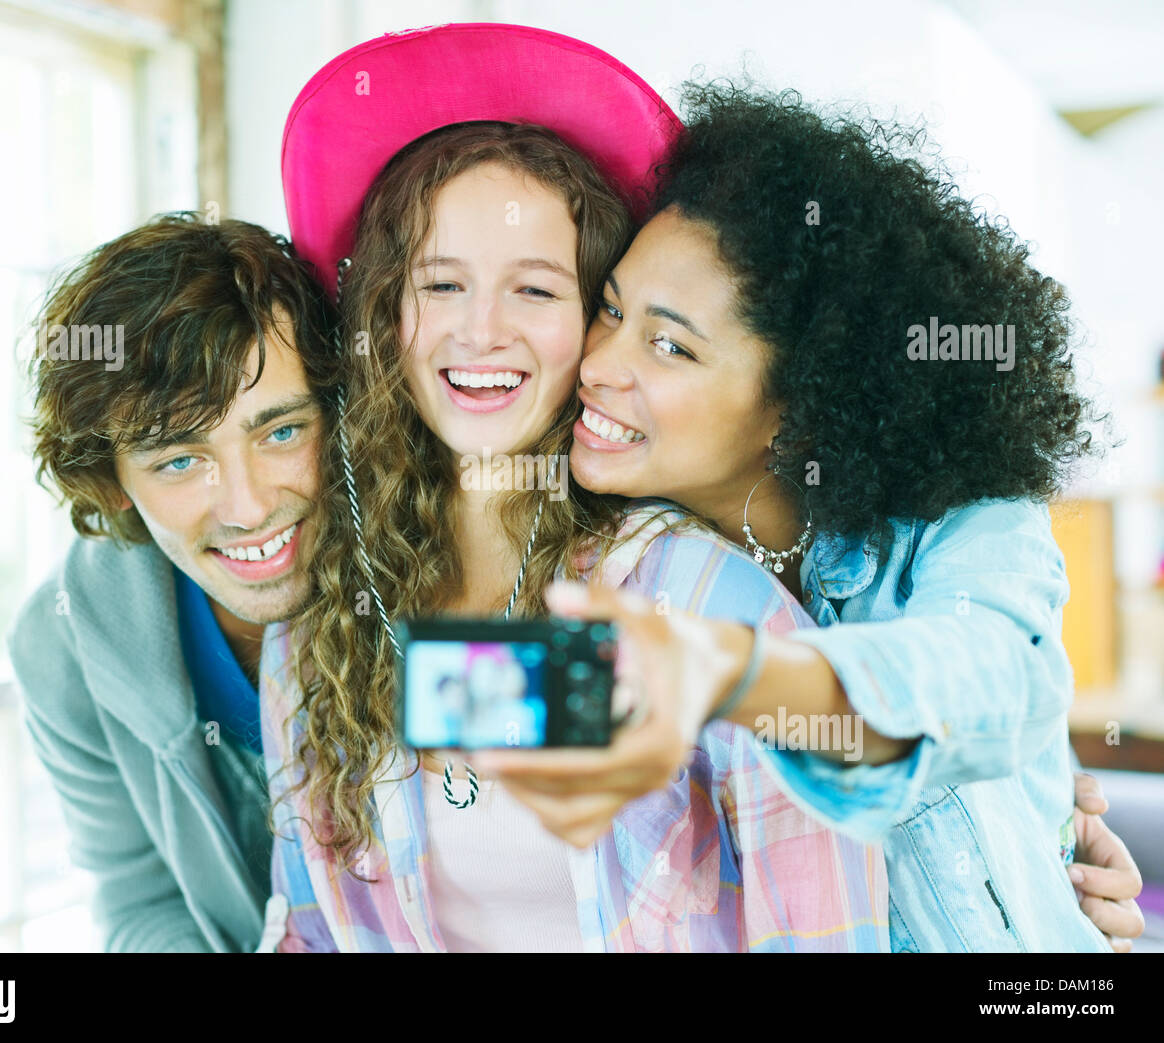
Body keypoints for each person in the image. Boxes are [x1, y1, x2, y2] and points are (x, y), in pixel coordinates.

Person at [260, 24, 888, 953]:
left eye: (536, 291)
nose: (481, 332)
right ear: (385, 311)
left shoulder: (705, 604)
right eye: (440, 284)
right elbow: (306, 933)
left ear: (594, 323)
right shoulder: (314, 637)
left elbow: (829, 935)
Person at [475, 82, 1144, 951]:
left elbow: (1000, 680)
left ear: (802, 406)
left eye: (671, 344)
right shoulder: (613, 556)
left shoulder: (965, 523)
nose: (600, 363)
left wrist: (737, 677)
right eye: (612, 308)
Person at [8, 213, 336, 951]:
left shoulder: (435, 572)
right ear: (112, 482)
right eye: (179, 461)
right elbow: (140, 900)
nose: (248, 506)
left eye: (281, 431)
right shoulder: (60, 650)